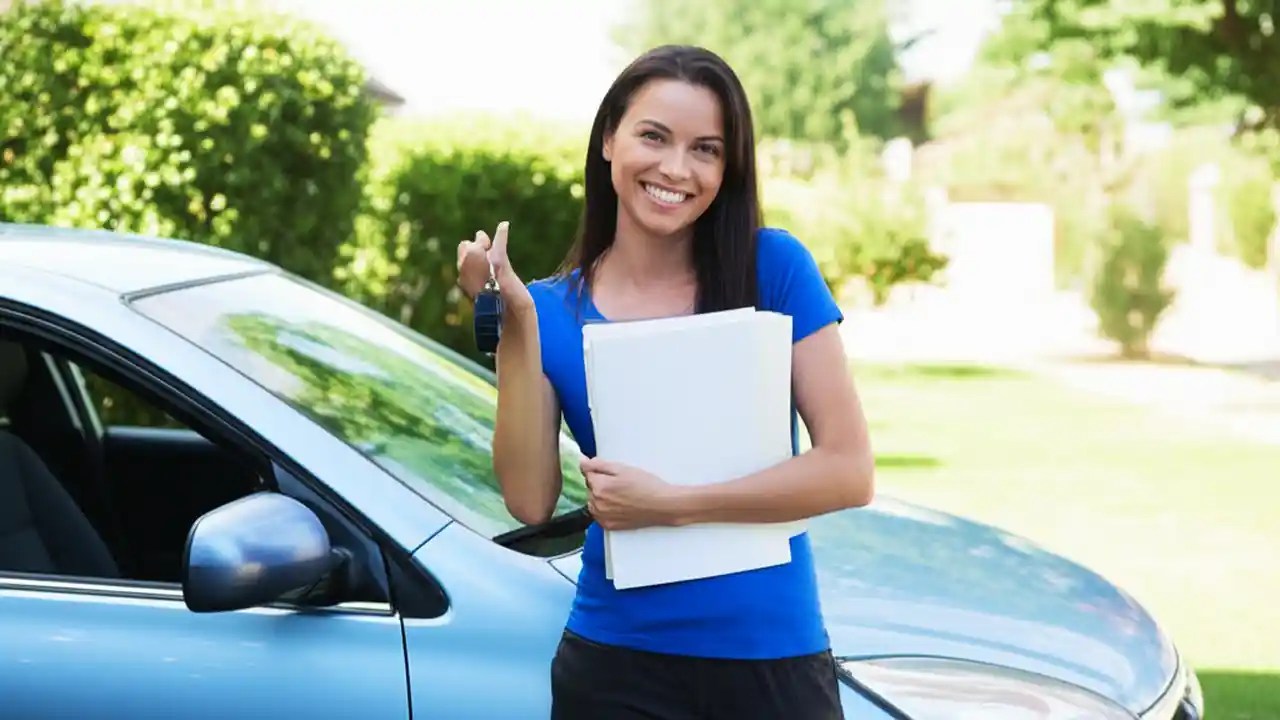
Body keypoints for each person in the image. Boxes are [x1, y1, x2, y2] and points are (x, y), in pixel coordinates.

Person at [456, 44, 875, 720]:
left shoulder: (774, 268)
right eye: (654, 136)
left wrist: (674, 503)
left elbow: (849, 471)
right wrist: (514, 322)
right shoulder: (551, 310)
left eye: (706, 149)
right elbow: (530, 500)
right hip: (616, 667)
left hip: (771, 662)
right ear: (608, 141)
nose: (676, 169)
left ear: (727, 166)